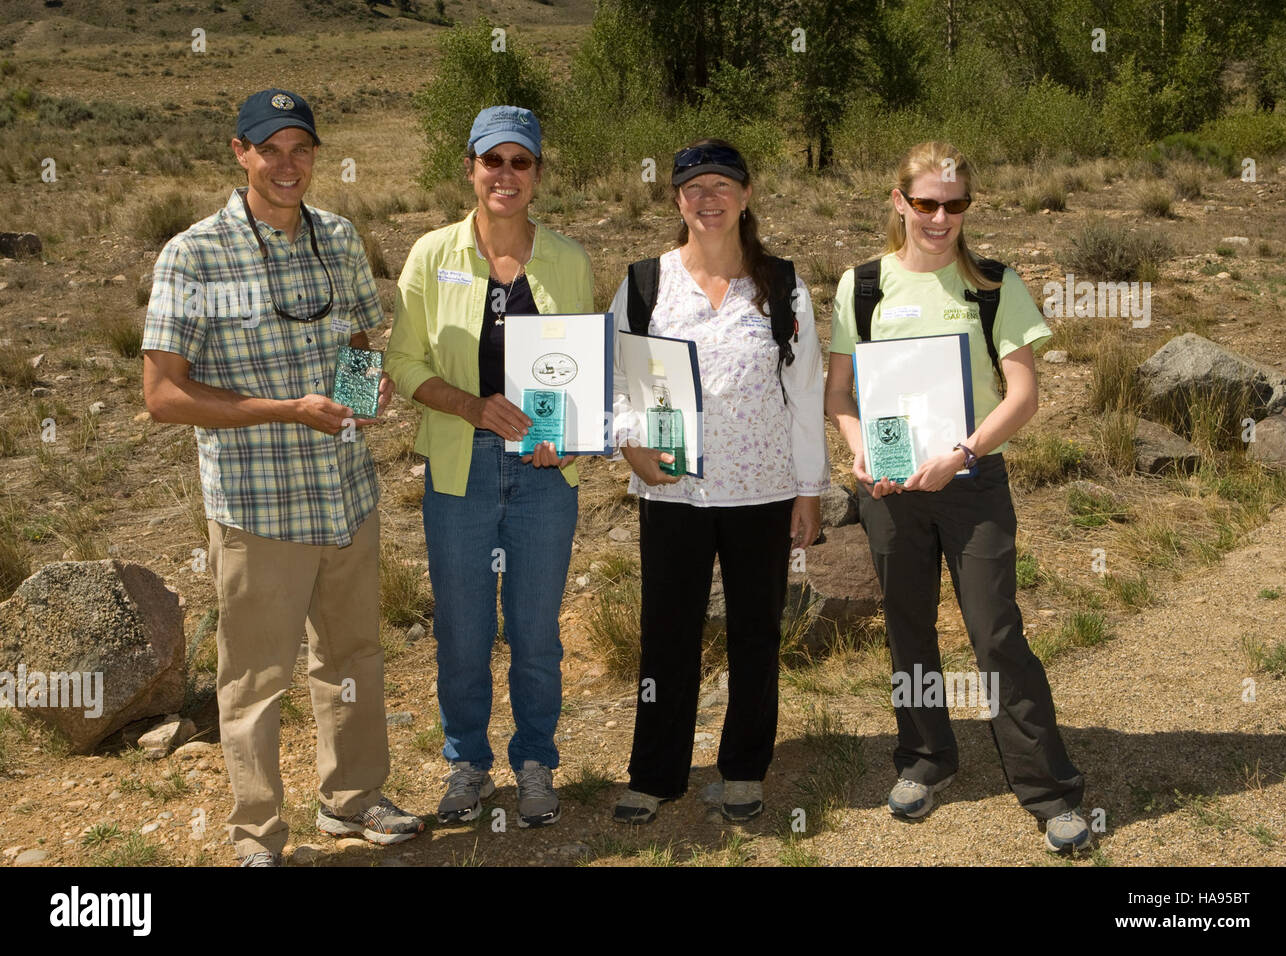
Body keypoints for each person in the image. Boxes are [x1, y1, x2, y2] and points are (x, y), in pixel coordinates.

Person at [142, 88, 423, 867]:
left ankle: (355, 799)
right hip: (259, 506)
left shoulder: (337, 237)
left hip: (347, 493)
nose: (288, 164)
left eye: (302, 148)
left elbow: (361, 342)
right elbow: (162, 394)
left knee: (354, 657)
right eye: (271, 149)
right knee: (255, 682)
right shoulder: (193, 255)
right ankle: (259, 836)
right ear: (241, 152)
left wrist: (367, 396)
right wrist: (285, 410)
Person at [824, 141, 1090, 852]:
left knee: (996, 632)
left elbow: (1025, 394)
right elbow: (840, 394)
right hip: (889, 488)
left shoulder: (995, 285)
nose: (940, 217)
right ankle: (926, 759)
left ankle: (1048, 788)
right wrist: (855, 447)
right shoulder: (863, 287)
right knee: (909, 628)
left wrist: (965, 452)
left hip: (971, 482)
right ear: (899, 201)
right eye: (927, 203)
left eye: (955, 204)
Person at [609, 140, 827, 825]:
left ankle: (743, 768)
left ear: (746, 194)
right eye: (693, 188)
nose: (708, 199)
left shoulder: (784, 285)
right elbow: (618, 381)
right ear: (677, 199)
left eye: (721, 186)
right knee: (665, 633)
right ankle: (655, 773)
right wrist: (629, 445)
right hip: (673, 492)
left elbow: (805, 389)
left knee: (756, 634)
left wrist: (810, 488)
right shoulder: (645, 283)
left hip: (762, 490)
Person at [386, 106, 594, 828]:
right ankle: (468, 765)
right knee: (463, 630)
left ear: (537, 174)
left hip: (545, 474)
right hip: (459, 466)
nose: (506, 175)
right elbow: (403, 362)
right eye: (492, 161)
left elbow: (582, 372)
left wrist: (570, 434)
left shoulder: (567, 259)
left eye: (521, 162)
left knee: (536, 631)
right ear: (471, 168)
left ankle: (535, 761)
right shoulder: (430, 255)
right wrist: (472, 407)